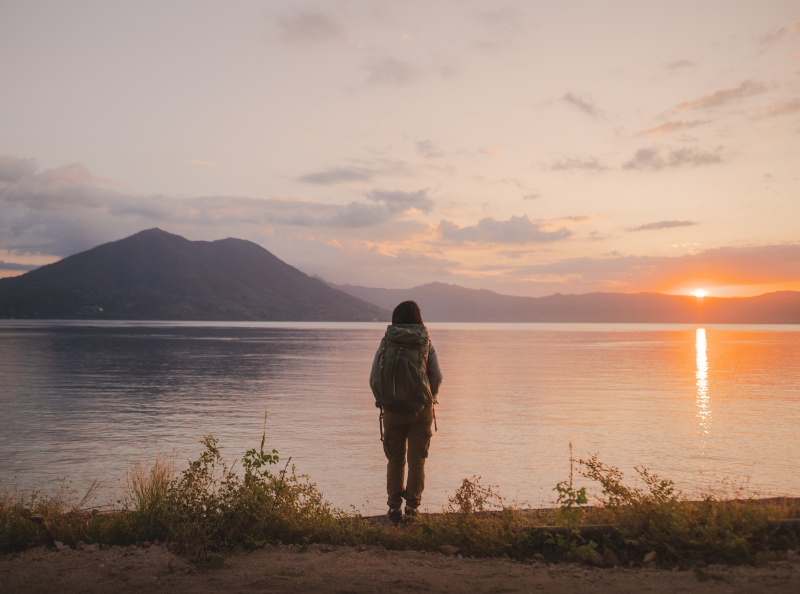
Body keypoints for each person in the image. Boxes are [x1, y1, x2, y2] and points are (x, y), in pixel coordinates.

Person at [369, 300, 442, 524]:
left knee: (395, 460)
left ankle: (394, 509)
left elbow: (373, 378)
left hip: (392, 410)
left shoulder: (386, 344)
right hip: (420, 410)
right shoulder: (425, 344)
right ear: (418, 318)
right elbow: (437, 377)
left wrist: (383, 402)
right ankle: (412, 507)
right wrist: (431, 397)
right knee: (417, 460)